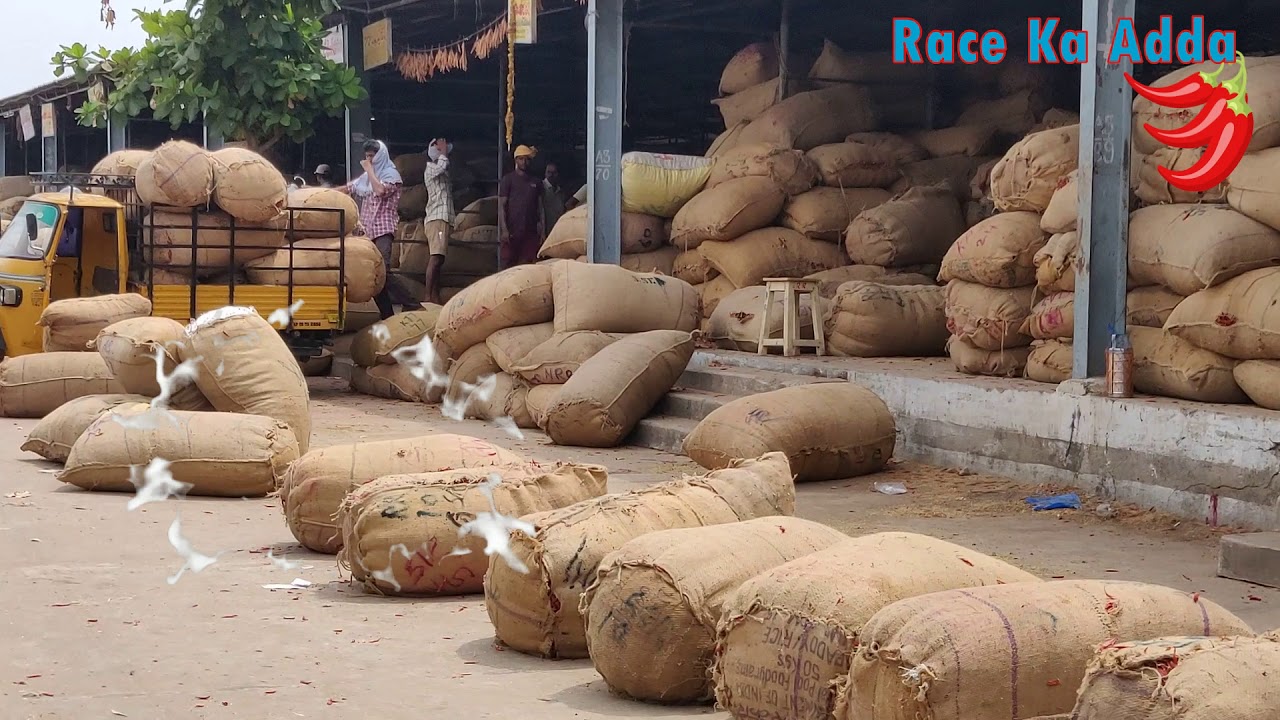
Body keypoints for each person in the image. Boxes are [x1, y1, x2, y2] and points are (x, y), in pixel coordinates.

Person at [341, 139, 419, 319]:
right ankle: (387, 315)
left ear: (381, 155)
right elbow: (349, 187)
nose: (370, 160)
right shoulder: (367, 177)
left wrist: (368, 169)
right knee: (372, 274)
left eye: (373, 156)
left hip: (384, 231)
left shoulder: (391, 175)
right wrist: (319, 192)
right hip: (368, 232)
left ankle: (412, 303)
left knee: (383, 270)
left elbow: (380, 190)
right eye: (367, 156)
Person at [497, 144, 546, 268]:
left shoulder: (536, 182)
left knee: (529, 265)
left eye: (527, 159)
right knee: (507, 264)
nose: (524, 162)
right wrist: (504, 229)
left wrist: (543, 230)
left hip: (530, 231)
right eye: (521, 159)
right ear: (516, 160)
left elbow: (540, 208)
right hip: (512, 231)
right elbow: (502, 206)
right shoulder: (508, 180)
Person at [421, 138, 453, 306]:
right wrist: (443, 152)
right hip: (436, 218)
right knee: (436, 257)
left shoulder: (442, 172)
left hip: (442, 218)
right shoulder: (431, 168)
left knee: (439, 259)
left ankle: (434, 296)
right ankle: (428, 296)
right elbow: (442, 165)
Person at [541, 161, 571, 233]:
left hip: (557, 229)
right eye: (549, 172)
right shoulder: (540, 188)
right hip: (543, 230)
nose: (551, 175)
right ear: (545, 173)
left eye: (554, 173)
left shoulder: (561, 192)